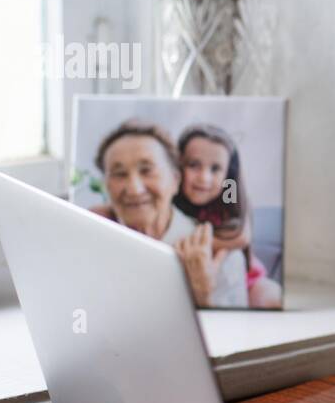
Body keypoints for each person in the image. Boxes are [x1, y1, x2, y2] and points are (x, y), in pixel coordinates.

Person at [93, 119, 247, 308]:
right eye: (119, 174)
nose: (134, 189)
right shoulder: (91, 245)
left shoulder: (220, 257)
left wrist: (202, 295)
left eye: (147, 171)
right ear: (106, 185)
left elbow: (233, 335)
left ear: (175, 180)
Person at [174, 124, 283, 309]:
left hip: (247, 278)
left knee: (271, 296)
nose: (204, 178)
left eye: (215, 169)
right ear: (177, 166)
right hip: (198, 279)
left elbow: (240, 237)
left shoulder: (228, 197)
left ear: (228, 175)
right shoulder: (171, 199)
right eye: (193, 165)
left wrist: (183, 244)